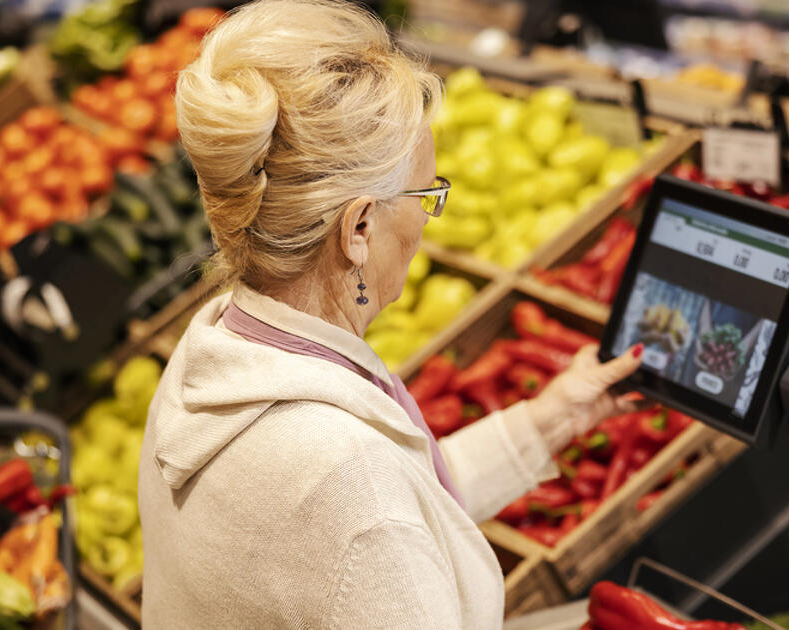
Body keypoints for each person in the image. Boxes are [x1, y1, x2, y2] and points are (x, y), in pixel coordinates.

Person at [137, 1, 645, 627]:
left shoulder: (210, 354)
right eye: (426, 196)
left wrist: (553, 420)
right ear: (359, 229)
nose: (428, 224)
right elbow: (370, 515)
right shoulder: (351, 482)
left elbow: (395, 505)